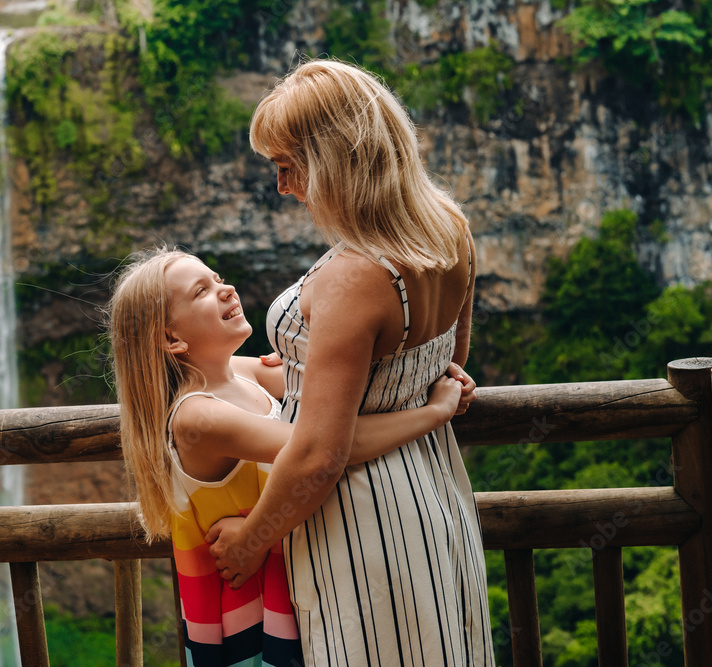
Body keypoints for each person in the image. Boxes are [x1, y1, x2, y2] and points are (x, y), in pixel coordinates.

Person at [205, 58, 494, 666]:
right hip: (436, 492)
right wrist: (303, 371)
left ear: (335, 159)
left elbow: (317, 456)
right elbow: (445, 370)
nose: (282, 186)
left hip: (363, 522)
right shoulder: (449, 228)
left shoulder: (354, 277)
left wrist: (252, 540)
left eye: (288, 166)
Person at [107, 247, 475, 667]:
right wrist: (433, 412)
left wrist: (433, 374)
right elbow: (330, 446)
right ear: (172, 338)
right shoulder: (197, 416)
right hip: (256, 616)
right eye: (201, 291)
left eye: (219, 277)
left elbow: (352, 383)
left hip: (296, 586)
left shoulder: (243, 372)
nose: (226, 290)